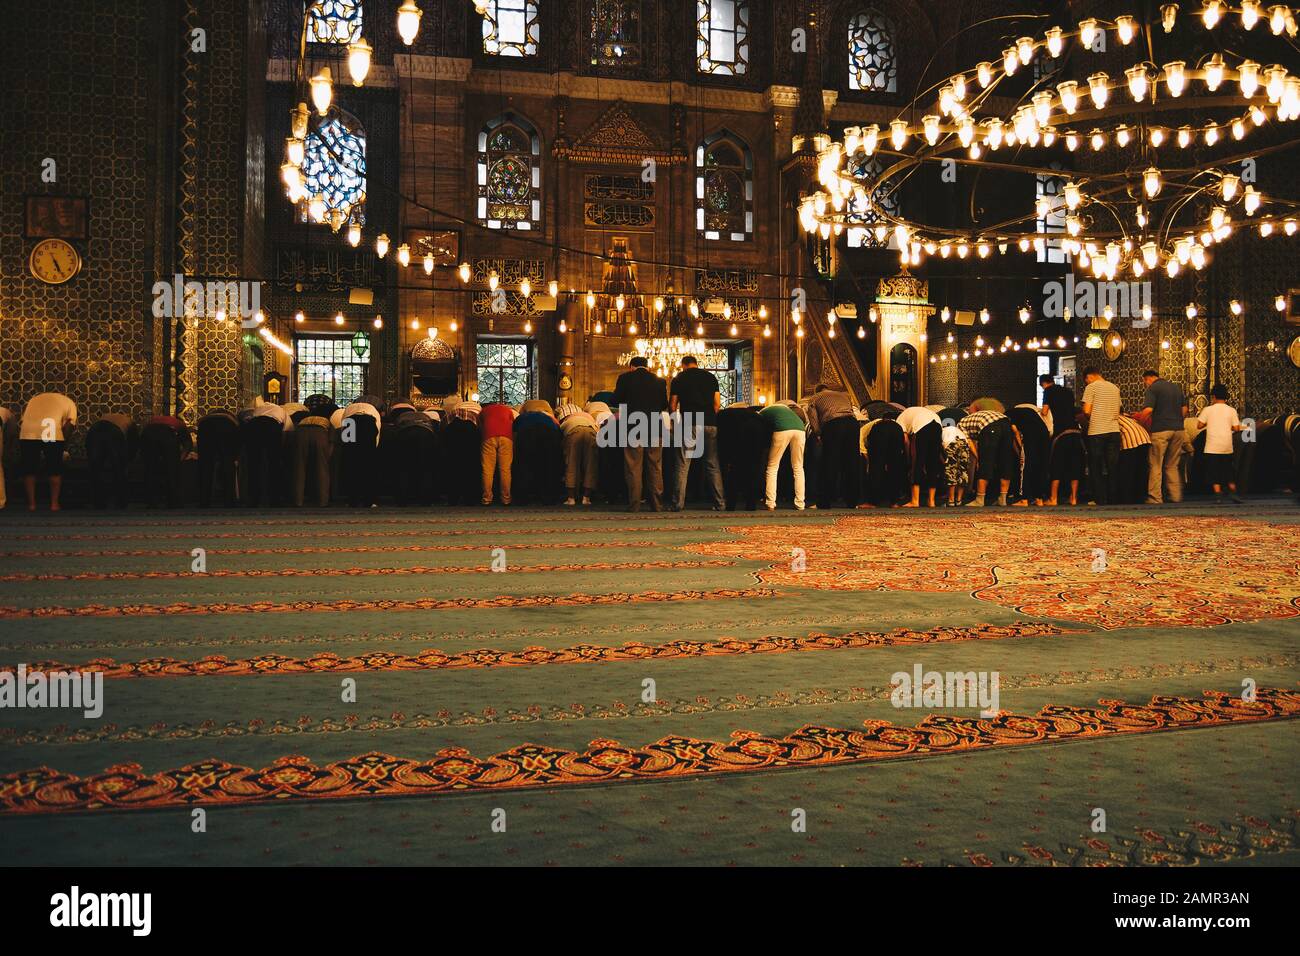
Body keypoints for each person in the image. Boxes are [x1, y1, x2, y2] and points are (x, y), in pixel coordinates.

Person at [668, 356, 725, 511]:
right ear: (696, 363)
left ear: (683, 365)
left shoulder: (679, 378)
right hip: (710, 424)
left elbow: (673, 405)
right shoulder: (710, 377)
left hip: (690, 423)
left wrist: (675, 423)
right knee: (712, 464)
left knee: (682, 464)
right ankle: (720, 504)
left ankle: (677, 504)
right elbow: (717, 404)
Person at [613, 356, 668, 512]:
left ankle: (634, 505)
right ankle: (657, 505)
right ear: (647, 366)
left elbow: (615, 399)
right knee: (656, 467)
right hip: (655, 428)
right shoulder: (659, 381)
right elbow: (664, 404)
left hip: (633, 428)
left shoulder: (625, 378)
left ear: (632, 366)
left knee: (633, 467)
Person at [19, 391, 77, 511]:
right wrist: (64, 445)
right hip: (51, 433)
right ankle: (54, 504)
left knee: (29, 468)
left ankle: (32, 504)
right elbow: (68, 426)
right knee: (54, 468)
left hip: (28, 432)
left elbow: (24, 419)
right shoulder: (69, 402)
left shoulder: (34, 399)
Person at [1139, 370, 1188, 504]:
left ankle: (1155, 498)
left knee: (1156, 464)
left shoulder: (1153, 388)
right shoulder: (1175, 387)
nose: (1145, 384)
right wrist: (1177, 421)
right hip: (1178, 430)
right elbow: (1184, 410)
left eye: (1145, 382)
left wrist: (1140, 423)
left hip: (1161, 429)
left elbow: (1148, 410)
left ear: (1148, 378)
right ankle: (1175, 496)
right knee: (1172, 465)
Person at [807, 385, 860, 508]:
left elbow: (813, 418)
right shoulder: (844, 395)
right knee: (852, 463)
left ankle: (824, 502)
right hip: (852, 424)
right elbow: (852, 411)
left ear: (817, 390)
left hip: (833, 424)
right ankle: (852, 502)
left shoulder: (815, 398)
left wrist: (818, 433)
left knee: (829, 463)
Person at [959, 405, 1017, 507]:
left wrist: (977, 458)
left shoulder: (961, 423)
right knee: (1005, 462)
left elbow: (969, 442)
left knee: (986, 464)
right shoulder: (981, 414)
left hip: (990, 426)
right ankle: (1002, 499)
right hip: (1006, 424)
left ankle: (980, 500)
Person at [1081, 366, 1122, 505]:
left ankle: (1099, 499)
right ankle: (1113, 498)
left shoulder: (1091, 387)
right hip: (1114, 430)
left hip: (1097, 431)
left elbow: (1086, 410)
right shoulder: (1115, 387)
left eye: (1086, 380)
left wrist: (1091, 418)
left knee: (1096, 467)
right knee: (1113, 467)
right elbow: (1119, 409)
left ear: (1089, 377)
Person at [1197, 384, 1245, 503]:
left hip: (1212, 446)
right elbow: (1236, 428)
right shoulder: (1231, 410)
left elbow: (1199, 426)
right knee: (1228, 470)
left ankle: (1218, 495)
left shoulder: (1208, 410)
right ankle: (1233, 492)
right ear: (1226, 396)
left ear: (1213, 396)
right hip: (1226, 446)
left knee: (1213, 471)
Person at [716, 404, 766, 510]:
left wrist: (726, 457)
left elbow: (722, 440)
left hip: (739, 433)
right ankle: (751, 505)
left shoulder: (722, 416)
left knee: (735, 470)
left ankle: (731, 505)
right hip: (757, 432)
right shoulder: (752, 415)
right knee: (753, 469)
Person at [759, 400, 806, 510]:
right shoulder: (787, 410)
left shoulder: (764, 411)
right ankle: (800, 503)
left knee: (772, 466)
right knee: (798, 467)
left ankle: (770, 503)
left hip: (782, 430)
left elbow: (761, 426)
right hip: (800, 430)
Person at [83, 413, 135, 510]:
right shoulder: (129, 422)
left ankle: (97, 502)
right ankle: (120, 502)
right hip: (113, 432)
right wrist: (128, 461)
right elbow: (132, 444)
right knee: (118, 470)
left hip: (95, 430)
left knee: (95, 469)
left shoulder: (104, 417)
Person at [140, 413, 192, 508]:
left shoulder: (154, 419)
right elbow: (188, 444)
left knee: (150, 470)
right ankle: (172, 502)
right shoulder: (179, 423)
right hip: (166, 434)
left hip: (148, 434)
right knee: (171, 471)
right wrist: (179, 459)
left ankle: (152, 502)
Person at [895, 405, 943, 508]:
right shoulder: (915, 412)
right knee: (933, 463)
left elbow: (906, 441)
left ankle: (915, 501)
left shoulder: (899, 421)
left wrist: (909, 459)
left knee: (918, 462)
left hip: (923, 426)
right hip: (938, 423)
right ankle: (931, 501)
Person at [858, 415, 908, 507]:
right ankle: (894, 501)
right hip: (897, 429)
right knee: (895, 467)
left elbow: (864, 450)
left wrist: (871, 463)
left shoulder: (863, 431)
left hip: (880, 431)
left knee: (876, 468)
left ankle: (872, 502)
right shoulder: (895, 423)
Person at [1008, 404, 1051, 506]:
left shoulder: (1008, 415)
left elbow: (1015, 432)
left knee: (1027, 465)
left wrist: (1020, 448)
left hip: (1032, 436)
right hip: (1045, 434)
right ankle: (1039, 498)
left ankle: (1024, 499)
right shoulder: (1028, 411)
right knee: (1041, 466)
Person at [557, 402, 599, 505]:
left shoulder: (566, 419)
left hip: (573, 432)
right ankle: (586, 498)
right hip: (591, 431)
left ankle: (571, 498)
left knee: (571, 464)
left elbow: (559, 436)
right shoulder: (587, 415)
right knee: (590, 465)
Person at [197, 410, 241, 507]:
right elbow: (237, 440)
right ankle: (229, 501)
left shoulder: (208, 417)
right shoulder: (232, 418)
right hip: (227, 427)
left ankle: (204, 501)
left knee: (206, 466)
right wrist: (235, 456)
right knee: (227, 464)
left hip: (205, 427)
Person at [292, 409, 334, 507]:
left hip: (301, 433)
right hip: (320, 433)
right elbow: (332, 440)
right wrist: (327, 457)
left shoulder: (305, 419)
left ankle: (298, 501)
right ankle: (323, 502)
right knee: (322, 469)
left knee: (299, 468)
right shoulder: (326, 420)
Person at [479, 402, 516, 506]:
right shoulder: (507, 409)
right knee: (505, 469)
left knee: (487, 469)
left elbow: (480, 426)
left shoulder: (484, 410)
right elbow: (512, 423)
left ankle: (487, 499)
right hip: (506, 438)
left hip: (488, 436)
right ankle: (506, 499)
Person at [1116, 414, 1152, 504]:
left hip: (1131, 441)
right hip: (1145, 439)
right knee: (1140, 470)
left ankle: (1127, 498)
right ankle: (1139, 497)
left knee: (1127, 472)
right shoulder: (1128, 417)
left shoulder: (1112, 418)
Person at [942, 422, 975, 506]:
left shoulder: (942, 430)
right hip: (964, 442)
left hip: (950, 443)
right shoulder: (958, 429)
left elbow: (940, 446)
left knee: (951, 471)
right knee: (963, 471)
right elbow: (969, 442)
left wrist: (943, 460)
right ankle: (959, 500)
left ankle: (951, 500)